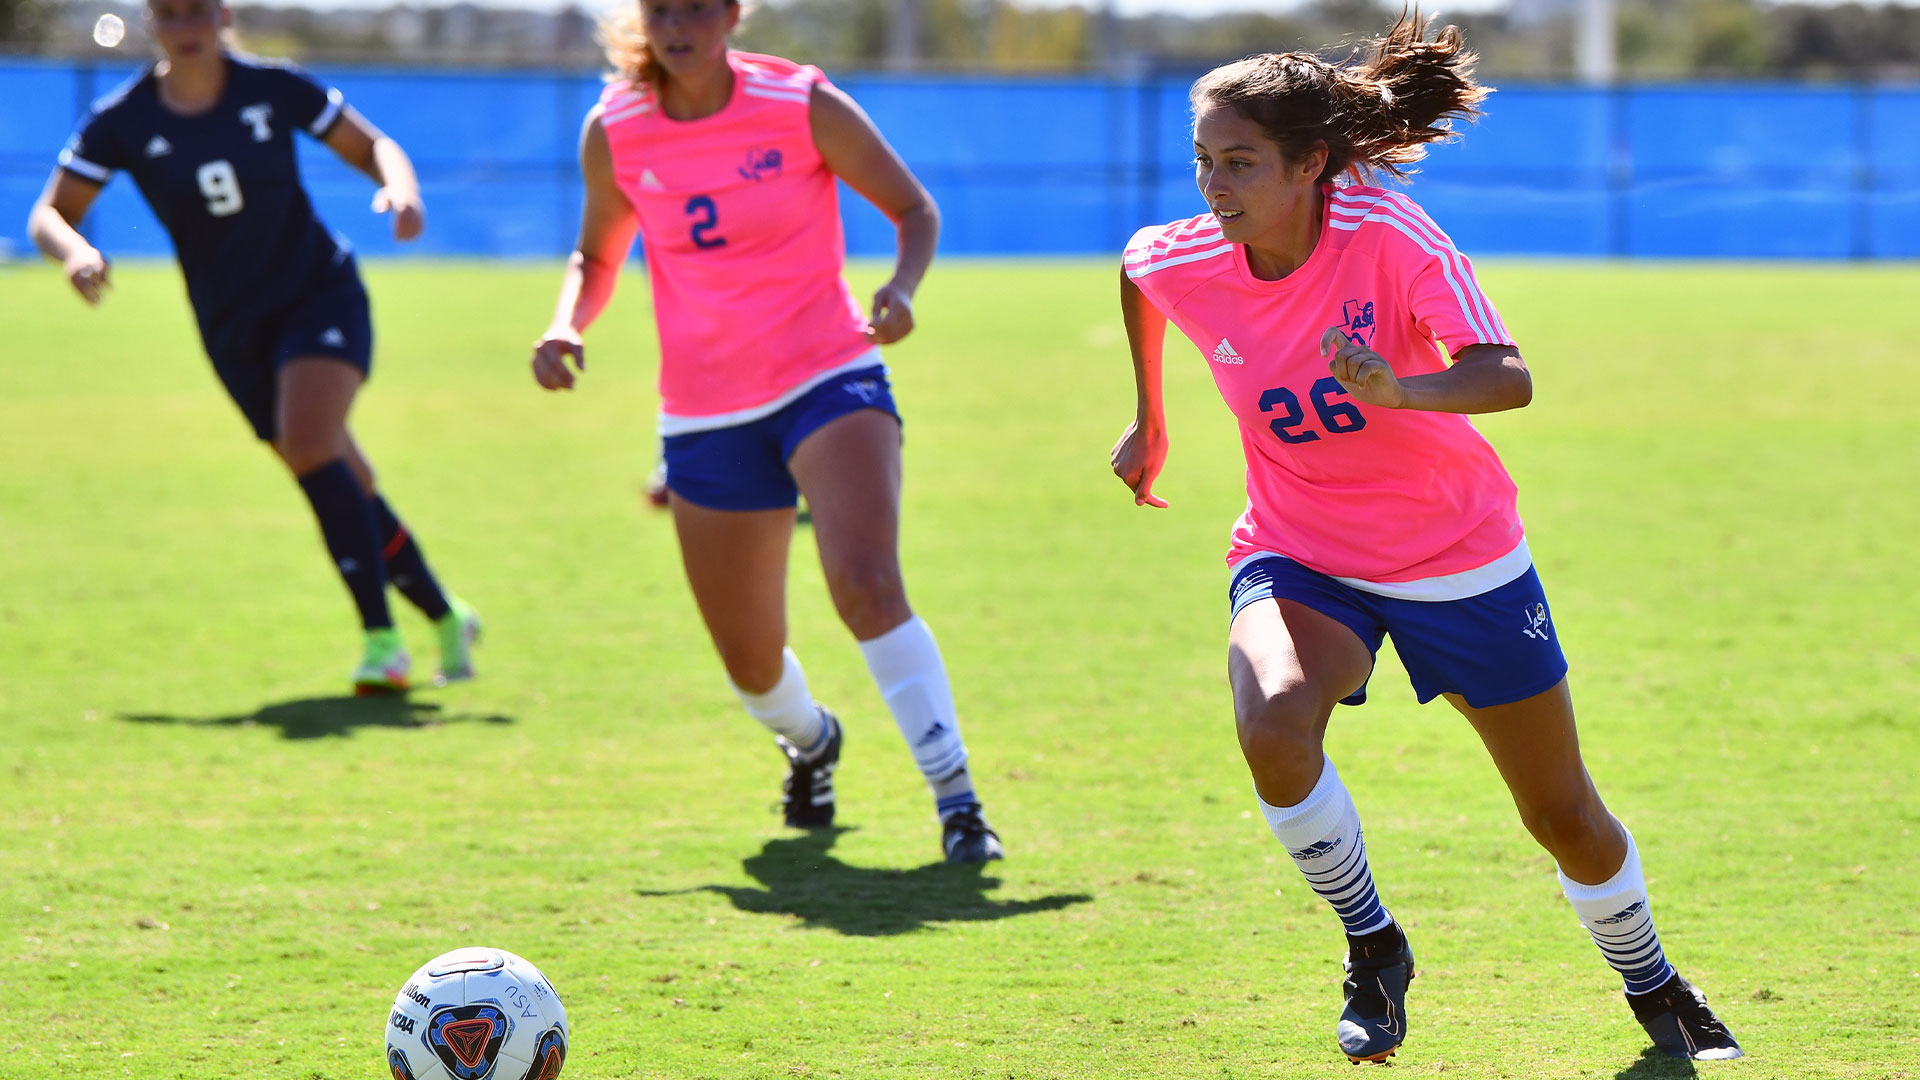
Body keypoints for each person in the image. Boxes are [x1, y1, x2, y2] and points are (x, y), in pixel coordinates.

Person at [1109, 14, 1740, 1065]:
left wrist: (1404, 390)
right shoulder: (1186, 255)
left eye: (1242, 164)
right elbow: (1138, 274)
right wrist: (1151, 418)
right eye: (1204, 163)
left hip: (1460, 559)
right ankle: (1374, 947)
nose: (1215, 188)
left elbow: (1506, 372)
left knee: (1564, 816)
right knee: (1271, 727)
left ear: (1311, 163)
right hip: (1299, 549)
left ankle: (1655, 982)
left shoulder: (1392, 239)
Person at [529, 0, 1001, 863]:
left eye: (698, 6)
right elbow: (597, 254)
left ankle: (958, 800)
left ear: (732, 14)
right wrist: (568, 323)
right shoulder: (616, 126)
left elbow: (914, 210)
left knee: (864, 582)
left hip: (830, 374)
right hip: (706, 412)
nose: (678, 23)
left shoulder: (800, 101)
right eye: (660, 7)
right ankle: (813, 740)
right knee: (750, 661)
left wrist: (901, 287)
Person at [27, 0, 480, 694]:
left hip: (316, 292)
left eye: (198, 11)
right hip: (231, 326)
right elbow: (50, 212)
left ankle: (381, 641)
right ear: (153, 23)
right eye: (170, 13)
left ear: (223, 15)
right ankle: (446, 616)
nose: (186, 26)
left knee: (307, 443)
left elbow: (374, 145)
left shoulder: (273, 87)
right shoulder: (123, 120)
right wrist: (75, 252)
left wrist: (401, 191)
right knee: (337, 473)